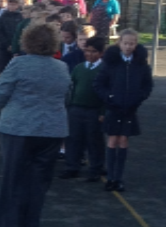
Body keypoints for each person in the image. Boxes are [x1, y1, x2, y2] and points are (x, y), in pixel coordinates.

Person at [0, 23, 71, 227]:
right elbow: (67, 98)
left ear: (26, 41)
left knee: (14, 180)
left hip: (19, 129)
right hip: (52, 131)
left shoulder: (18, 64)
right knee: (39, 183)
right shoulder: (61, 67)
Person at [93, 29, 153, 192]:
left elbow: (147, 85)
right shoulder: (110, 62)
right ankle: (110, 177)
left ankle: (119, 178)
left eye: (132, 43)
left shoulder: (140, 64)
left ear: (136, 44)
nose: (128, 46)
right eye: (125, 43)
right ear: (119, 43)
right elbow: (99, 84)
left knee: (124, 141)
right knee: (112, 140)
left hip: (130, 108)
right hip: (114, 107)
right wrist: (109, 98)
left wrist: (139, 97)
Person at [59, 36, 107, 182]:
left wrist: (103, 112)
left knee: (94, 141)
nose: (89, 54)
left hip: (94, 110)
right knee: (73, 139)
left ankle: (95, 169)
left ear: (101, 53)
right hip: (75, 108)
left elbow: (107, 93)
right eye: (87, 51)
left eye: (93, 52)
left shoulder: (104, 69)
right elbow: (70, 87)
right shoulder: (79, 68)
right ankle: (72, 167)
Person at [0, 0, 23, 75]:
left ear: (18, 5)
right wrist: (7, 44)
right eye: (10, 4)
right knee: (3, 70)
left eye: (13, 4)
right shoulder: (3, 16)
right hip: (4, 47)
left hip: (17, 48)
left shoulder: (21, 16)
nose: (11, 6)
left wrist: (15, 45)